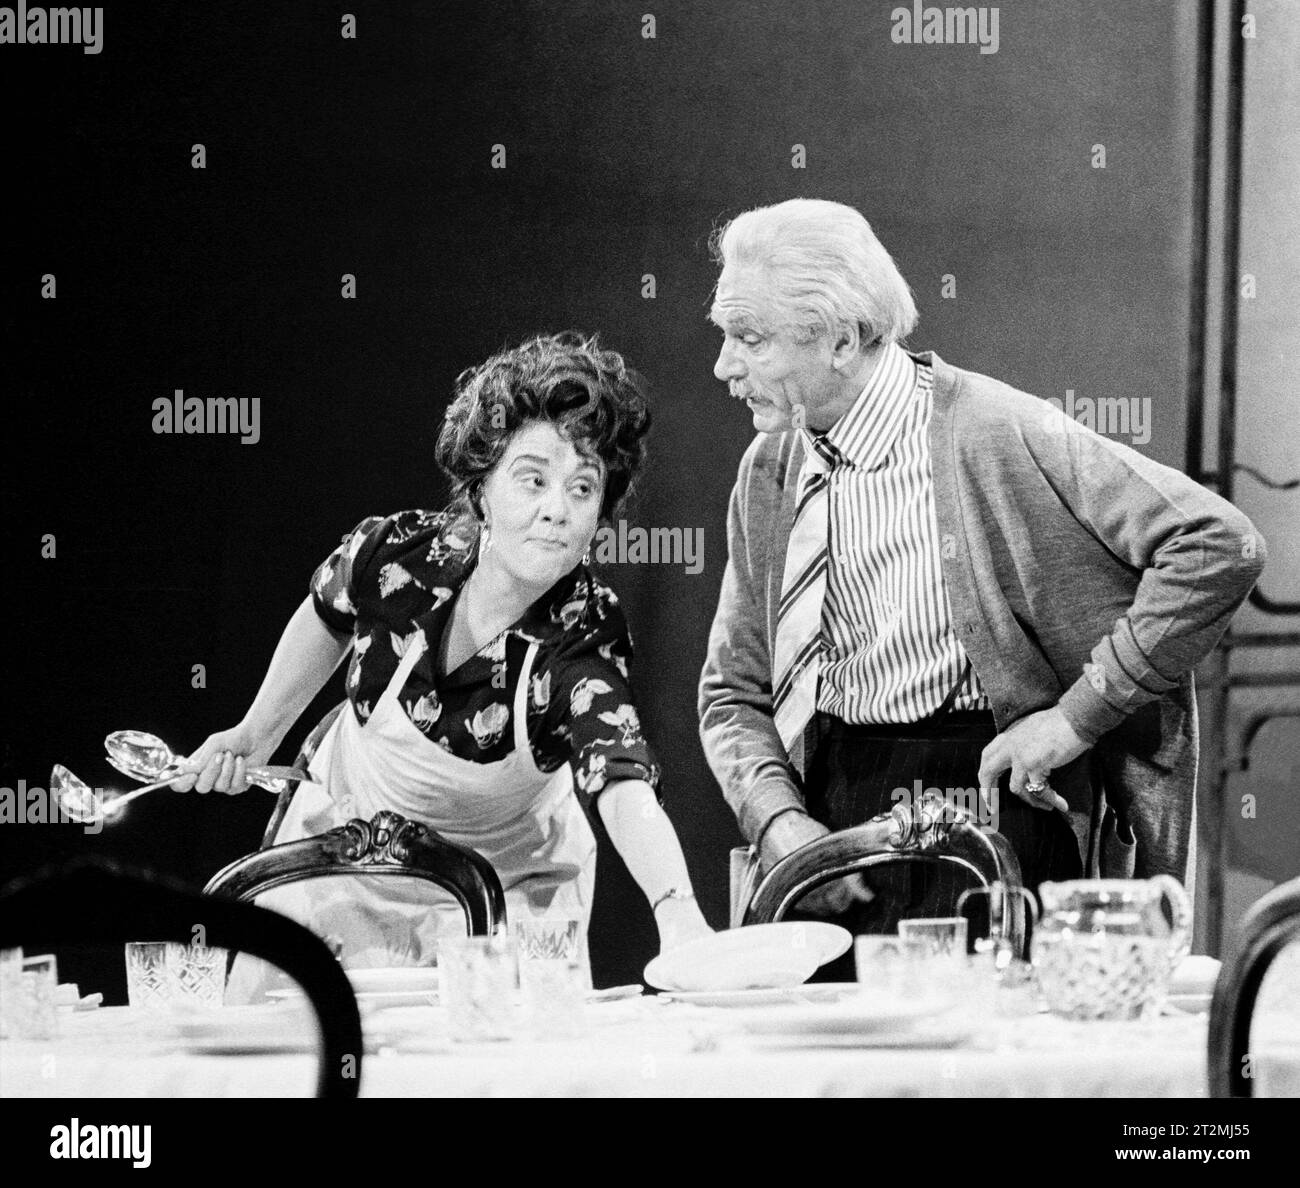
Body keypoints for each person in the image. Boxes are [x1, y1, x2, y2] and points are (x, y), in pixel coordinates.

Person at [699, 198, 1266, 934]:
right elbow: (733, 692)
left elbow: (1217, 543)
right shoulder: (770, 468)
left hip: (995, 806)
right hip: (832, 817)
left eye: (750, 338)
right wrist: (777, 820)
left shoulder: (996, 431)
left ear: (841, 339)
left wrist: (1076, 718)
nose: (724, 366)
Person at [177, 332, 711, 993]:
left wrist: (677, 910)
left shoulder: (583, 630)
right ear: (481, 488)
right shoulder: (398, 557)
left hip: (504, 894)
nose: (556, 510)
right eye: (533, 480)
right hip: (342, 860)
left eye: (583, 488)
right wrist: (255, 733)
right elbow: (328, 614)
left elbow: (621, 777)